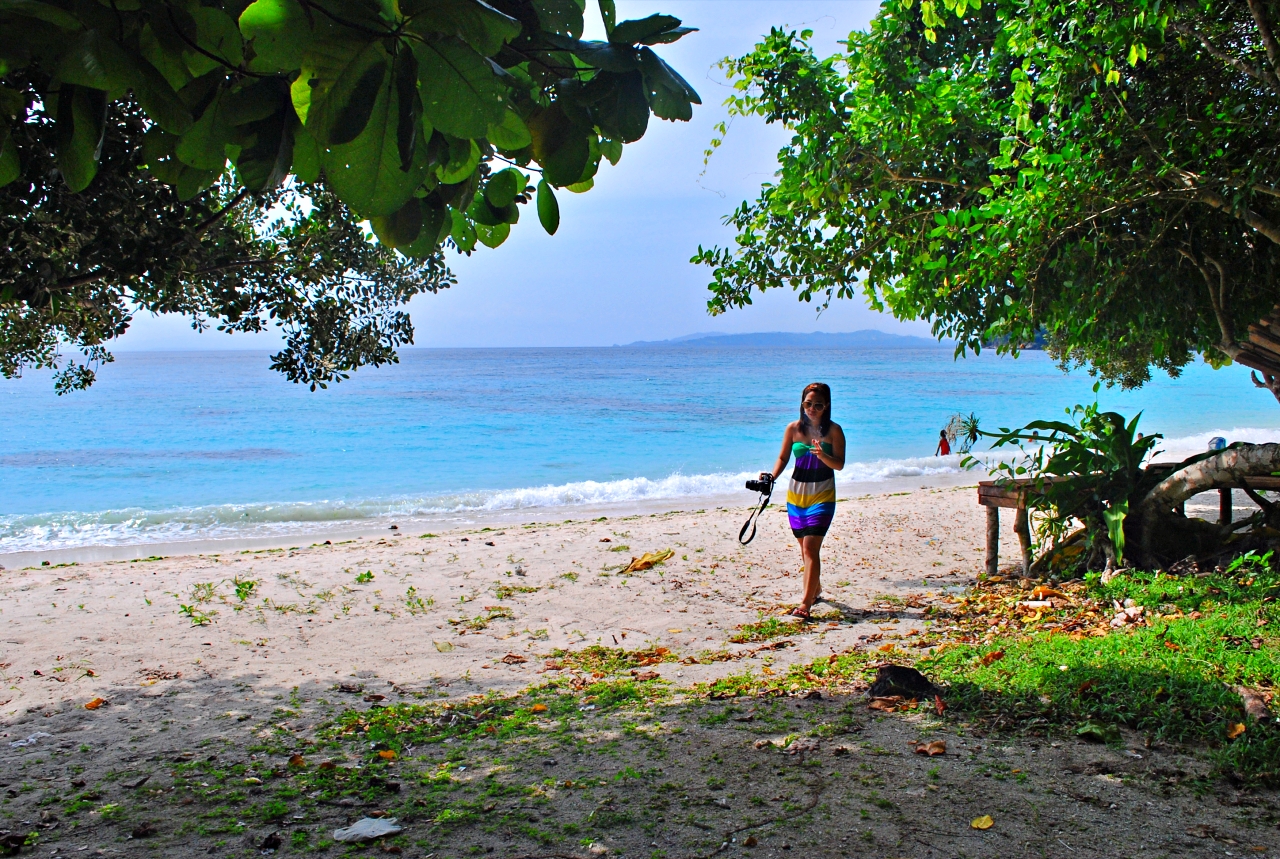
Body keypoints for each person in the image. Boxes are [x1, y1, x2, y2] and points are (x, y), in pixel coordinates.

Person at [766, 382, 846, 619]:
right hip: (796, 495)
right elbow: (782, 457)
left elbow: (839, 464)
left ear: (826, 406)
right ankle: (816, 588)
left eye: (818, 405)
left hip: (822, 494)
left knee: (811, 548)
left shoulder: (834, 431)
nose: (812, 408)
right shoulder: (793, 429)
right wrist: (771, 476)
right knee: (804, 549)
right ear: (802, 403)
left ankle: (805, 604)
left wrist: (823, 455)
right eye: (808, 403)